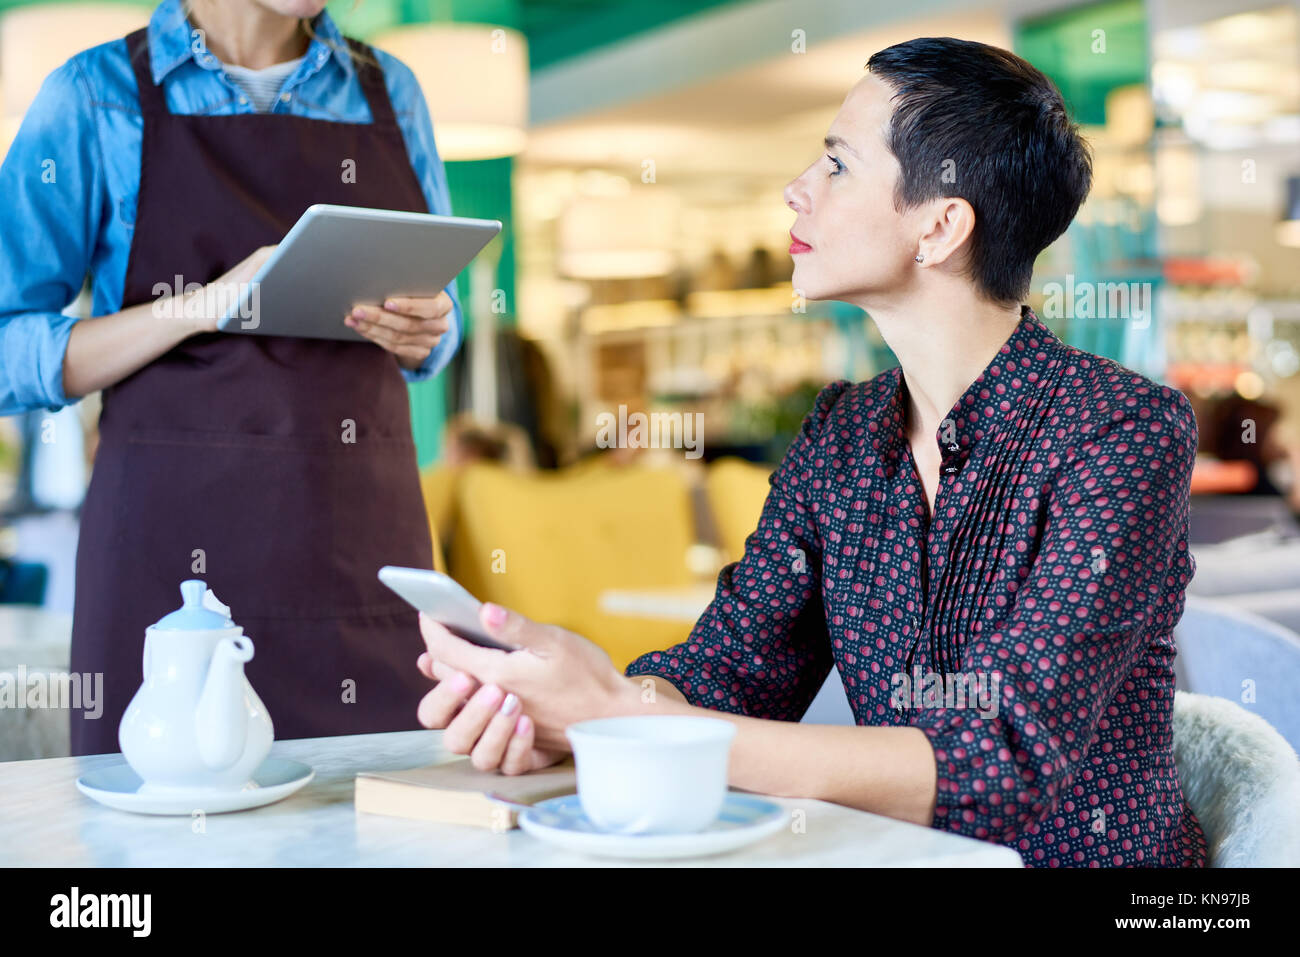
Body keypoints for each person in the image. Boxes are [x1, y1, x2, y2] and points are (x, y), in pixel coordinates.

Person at [415, 37, 1210, 868]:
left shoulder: (1122, 430)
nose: (795, 189)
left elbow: (998, 757)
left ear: (940, 226)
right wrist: (580, 702)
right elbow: (730, 669)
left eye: (835, 165)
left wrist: (621, 718)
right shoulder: (842, 435)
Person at [0, 0, 462, 754]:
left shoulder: (391, 92)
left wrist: (430, 328)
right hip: (169, 580)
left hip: (367, 574)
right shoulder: (96, 94)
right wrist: (201, 307)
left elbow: (441, 315)